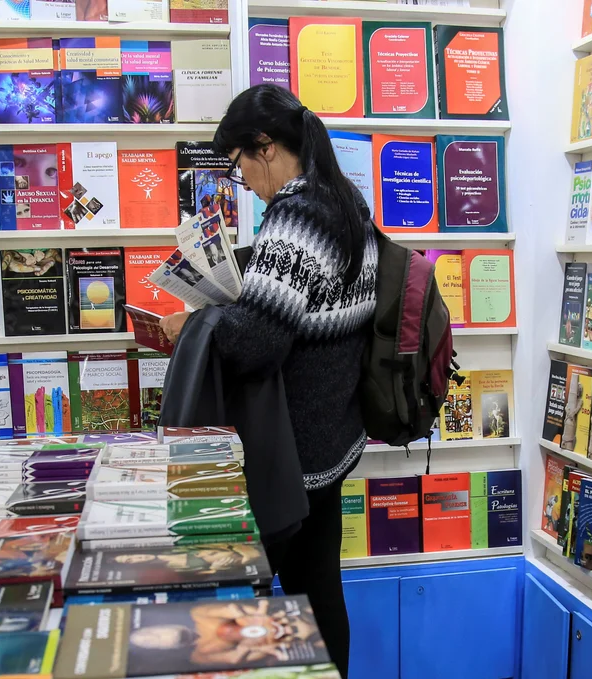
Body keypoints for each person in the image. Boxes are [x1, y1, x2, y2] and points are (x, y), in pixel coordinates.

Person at [159, 84, 377, 675]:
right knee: (318, 590)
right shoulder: (347, 201)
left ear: (266, 147)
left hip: (290, 455)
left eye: (239, 168)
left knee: (242, 599)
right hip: (333, 438)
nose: (246, 186)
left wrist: (194, 322)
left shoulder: (299, 212)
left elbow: (257, 344)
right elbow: (305, 303)